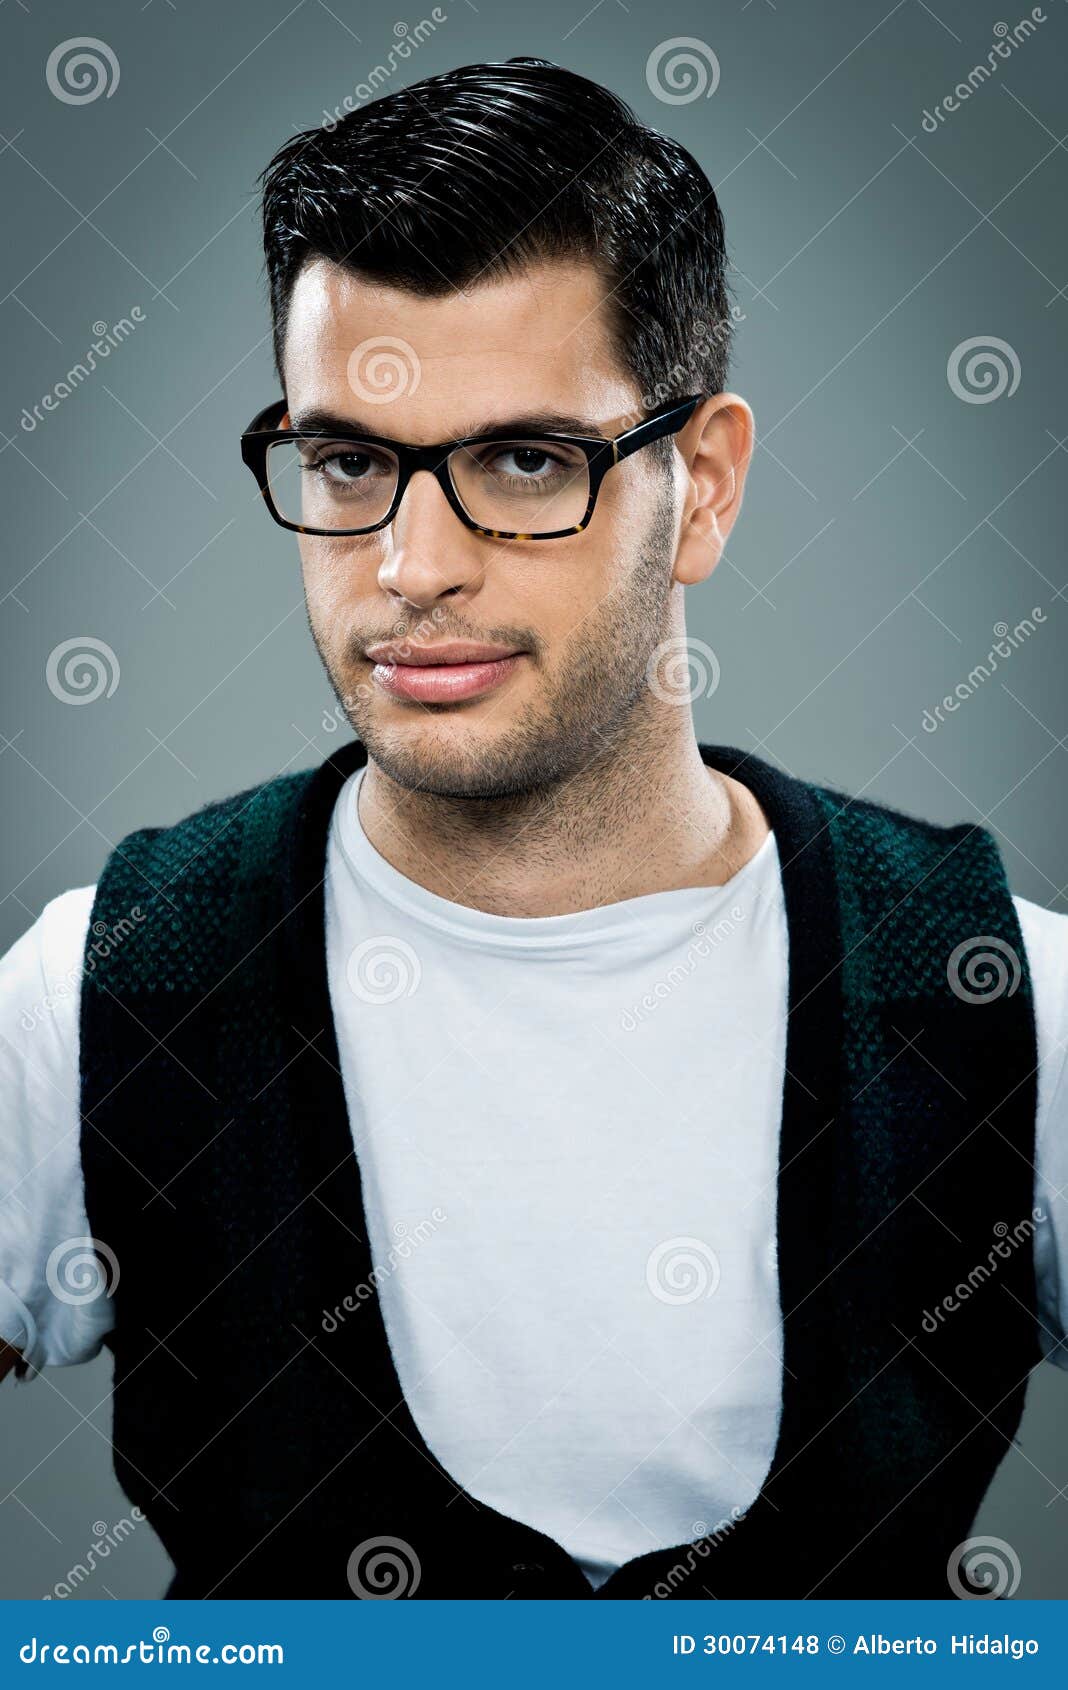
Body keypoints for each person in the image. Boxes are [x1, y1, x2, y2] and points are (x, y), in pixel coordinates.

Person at [1, 57, 1065, 1602]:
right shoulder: (105, 986)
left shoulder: (995, 994)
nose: (413, 565)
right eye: (353, 462)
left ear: (699, 487)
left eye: (523, 461)